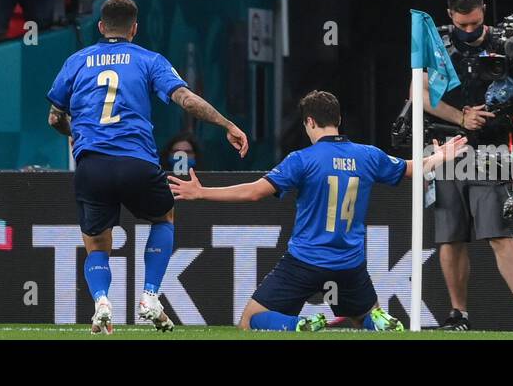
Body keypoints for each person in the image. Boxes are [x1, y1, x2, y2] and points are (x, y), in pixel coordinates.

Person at [170, 89, 465, 331]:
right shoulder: (368, 156)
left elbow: (253, 192)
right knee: (364, 317)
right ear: (339, 119)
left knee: (249, 321)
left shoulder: (302, 159)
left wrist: (201, 192)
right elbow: (413, 169)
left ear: (309, 122)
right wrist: (438, 156)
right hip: (350, 263)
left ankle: (299, 325)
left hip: (305, 261)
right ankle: (378, 321)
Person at [46, 0, 249, 333]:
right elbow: (185, 99)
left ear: (100, 27)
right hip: (135, 162)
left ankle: (101, 302)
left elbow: (54, 117)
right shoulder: (149, 60)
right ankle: (150, 295)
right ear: (134, 29)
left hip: (92, 166)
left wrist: (74, 132)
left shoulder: (76, 61)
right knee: (163, 214)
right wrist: (226, 124)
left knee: (96, 243)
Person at [425, 0, 513, 332]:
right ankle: (457, 314)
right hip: (445, 146)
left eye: (476, 23)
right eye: (463, 25)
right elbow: (420, 95)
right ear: (450, 15)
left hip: (494, 147)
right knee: (449, 235)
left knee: (498, 231)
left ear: (484, 11)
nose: (470, 31)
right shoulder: (434, 44)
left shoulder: (506, 43)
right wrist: (460, 117)